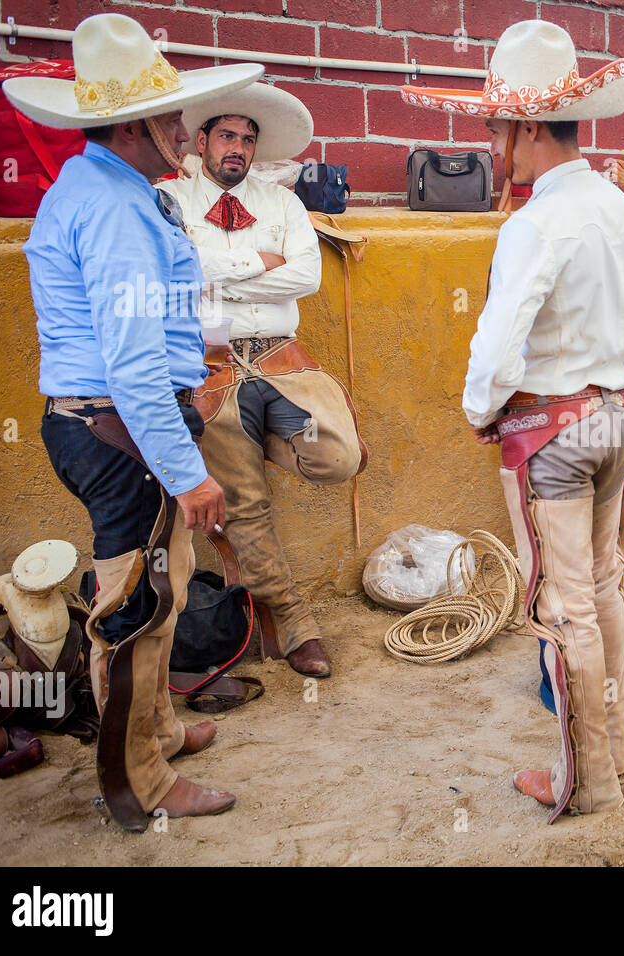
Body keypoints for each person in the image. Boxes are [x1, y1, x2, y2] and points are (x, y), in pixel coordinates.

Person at [4, 12, 264, 826]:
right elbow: (134, 361)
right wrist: (185, 474)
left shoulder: (111, 191)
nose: (185, 135)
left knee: (160, 591)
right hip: (118, 428)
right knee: (137, 612)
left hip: (116, 424)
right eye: (171, 120)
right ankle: (139, 781)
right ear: (134, 126)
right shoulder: (116, 210)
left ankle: (155, 732)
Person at [401, 20, 624, 817]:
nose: (493, 144)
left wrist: (481, 411)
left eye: (497, 127)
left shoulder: (535, 223)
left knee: (563, 607)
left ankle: (589, 782)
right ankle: (623, 737)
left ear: (528, 125)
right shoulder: (619, 206)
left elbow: (499, 342)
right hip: (614, 417)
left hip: (555, 434)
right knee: (605, 584)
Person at [158, 85, 365, 679]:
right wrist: (261, 264)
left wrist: (217, 275)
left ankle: (251, 452)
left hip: (280, 362)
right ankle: (292, 620)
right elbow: (178, 277)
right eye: (227, 136)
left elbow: (307, 278)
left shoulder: (283, 203)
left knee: (339, 454)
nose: (238, 148)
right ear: (202, 141)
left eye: (248, 139)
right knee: (244, 505)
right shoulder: (167, 201)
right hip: (211, 369)